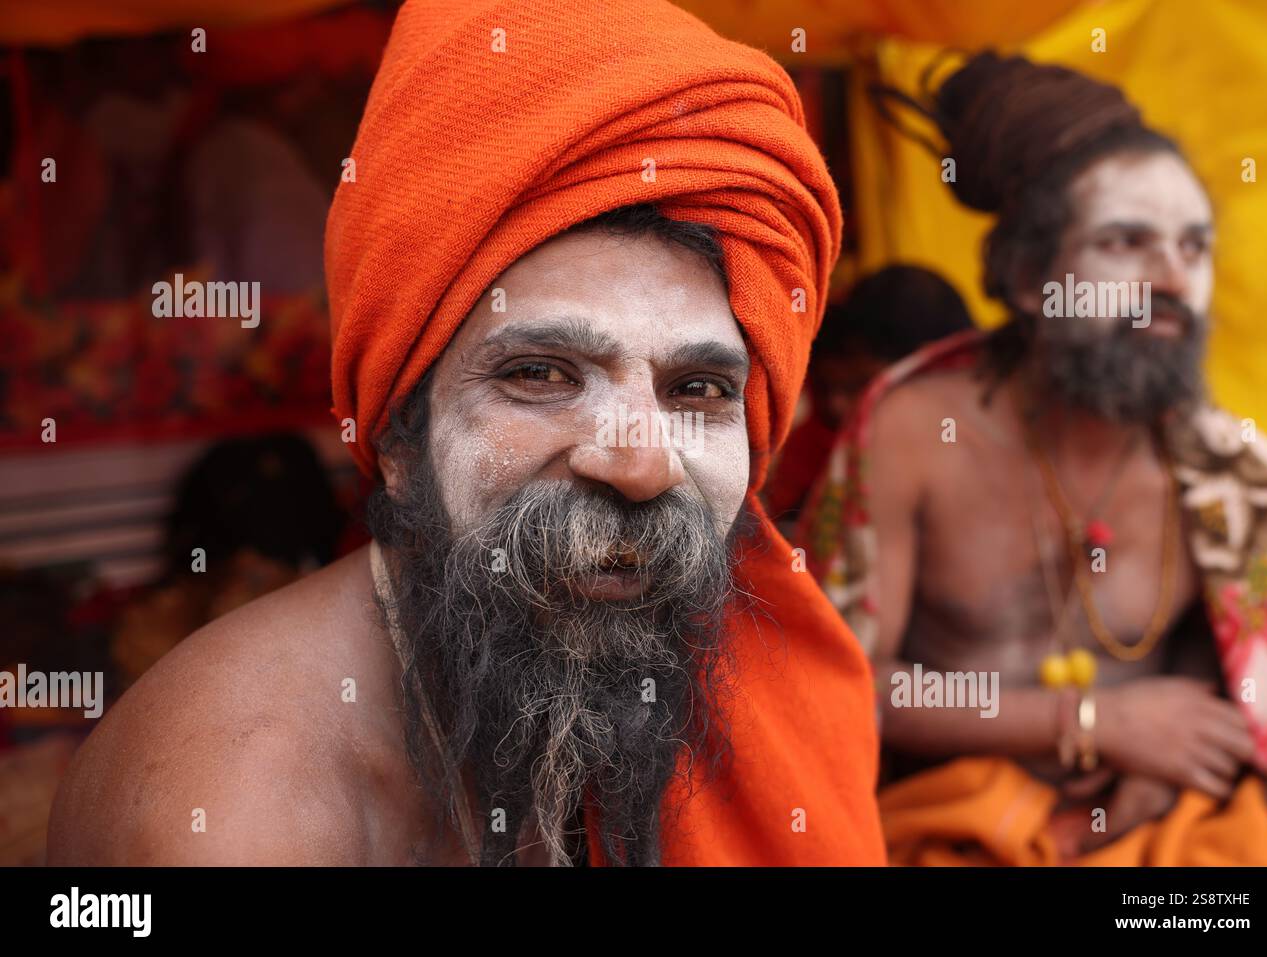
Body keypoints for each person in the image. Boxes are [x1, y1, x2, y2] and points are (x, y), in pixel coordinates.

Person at [47, 0, 885, 866]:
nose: (639, 462)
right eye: (541, 374)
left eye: (698, 388)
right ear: (400, 440)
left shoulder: (738, 682)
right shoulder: (240, 808)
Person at [799, 51, 1267, 865]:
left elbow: (1264, 696)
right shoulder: (911, 430)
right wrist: (1095, 720)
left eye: (1195, 247)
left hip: (1159, 834)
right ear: (1032, 278)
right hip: (950, 827)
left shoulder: (1230, 476)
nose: (1172, 278)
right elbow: (838, 687)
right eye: (1127, 242)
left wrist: (1174, 767)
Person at [764, 265, 972, 522]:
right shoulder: (817, 444)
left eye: (859, 386)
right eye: (826, 387)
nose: (836, 405)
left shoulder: (992, 449)